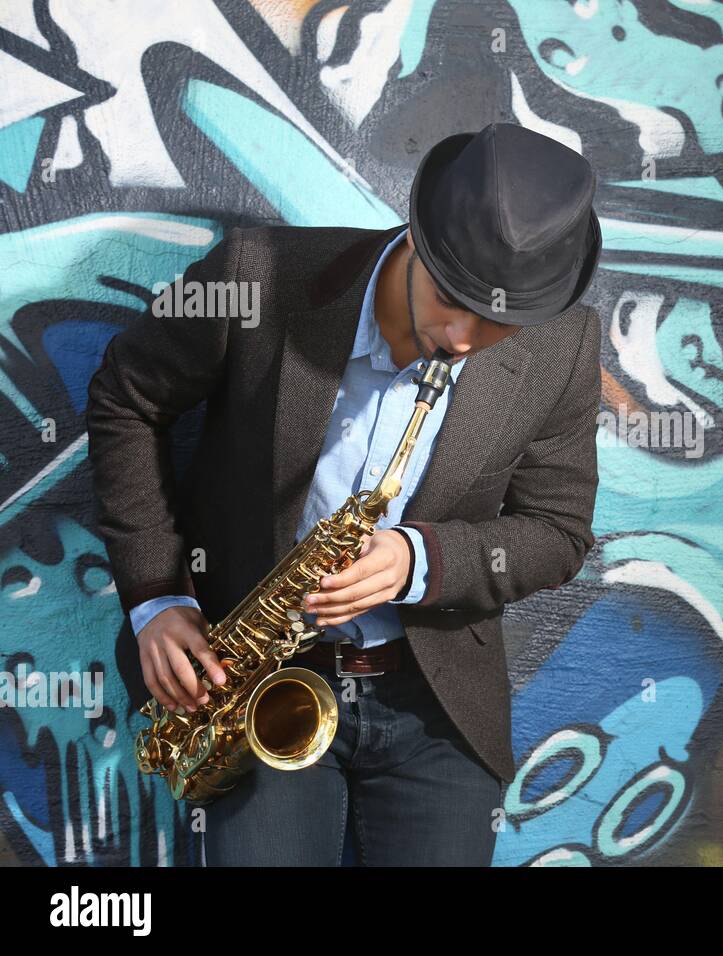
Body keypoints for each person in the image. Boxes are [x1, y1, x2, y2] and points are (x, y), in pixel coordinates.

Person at [85, 122, 604, 866]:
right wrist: (157, 597)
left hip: (435, 700)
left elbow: (558, 533)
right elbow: (126, 399)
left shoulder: (565, 346)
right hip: (253, 682)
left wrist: (419, 560)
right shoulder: (257, 275)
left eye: (496, 323)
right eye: (451, 298)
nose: (461, 338)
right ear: (418, 239)